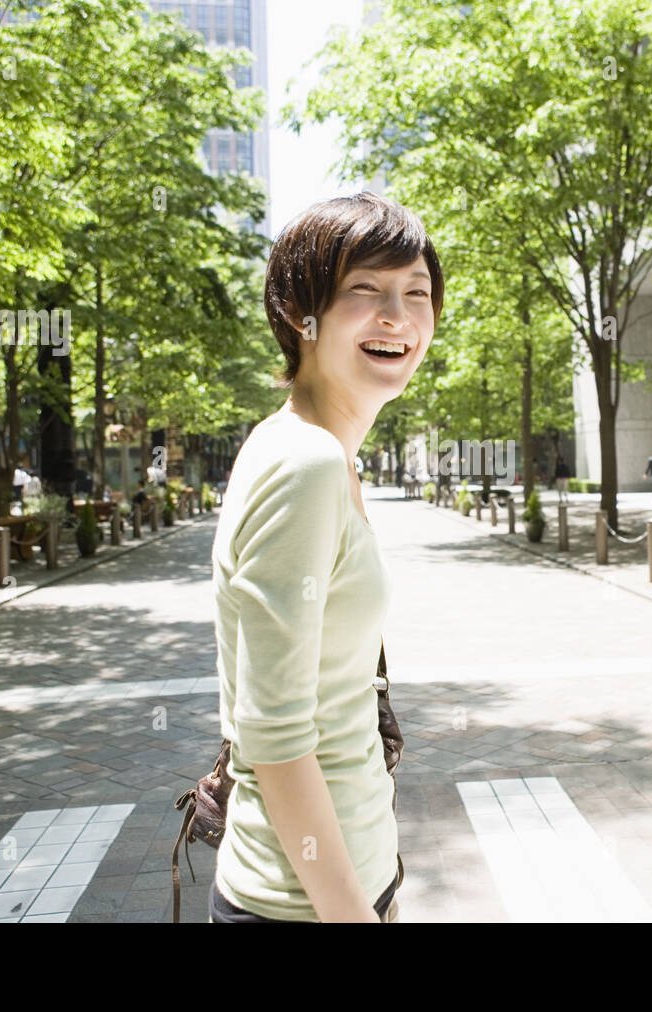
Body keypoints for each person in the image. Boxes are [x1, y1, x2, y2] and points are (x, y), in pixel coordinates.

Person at [208, 192, 442, 925]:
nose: (397, 318)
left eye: (416, 294)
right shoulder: (306, 461)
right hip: (303, 906)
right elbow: (273, 736)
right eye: (364, 292)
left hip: (337, 888)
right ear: (300, 315)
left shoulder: (317, 451)